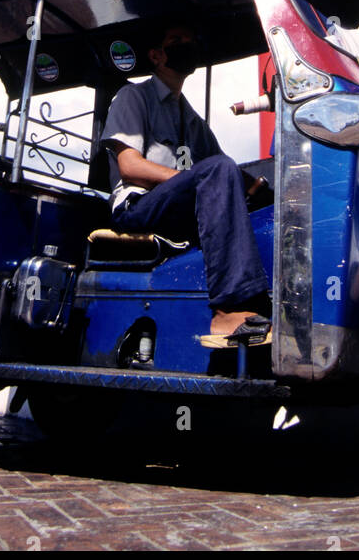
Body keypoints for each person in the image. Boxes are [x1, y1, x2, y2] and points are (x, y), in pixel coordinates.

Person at [101, 22, 271, 349]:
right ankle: (227, 309)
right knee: (216, 171)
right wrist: (193, 179)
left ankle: (265, 305)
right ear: (156, 55)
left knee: (248, 190)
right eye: (176, 40)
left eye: (191, 40)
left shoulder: (192, 119)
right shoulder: (133, 96)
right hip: (137, 208)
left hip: (177, 209)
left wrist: (263, 190)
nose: (187, 45)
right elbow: (130, 166)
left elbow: (227, 171)